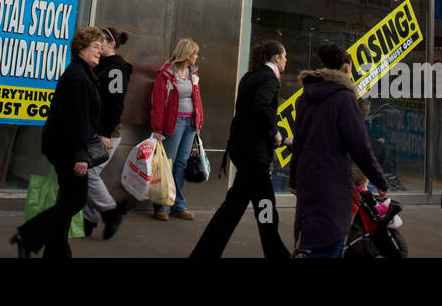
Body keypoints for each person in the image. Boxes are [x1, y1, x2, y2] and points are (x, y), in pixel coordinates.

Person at [190, 40, 292, 259]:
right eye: (284, 56)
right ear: (276, 58)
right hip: (254, 155)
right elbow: (261, 107)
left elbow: (246, 113)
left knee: (242, 207)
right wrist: (275, 134)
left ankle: (206, 253)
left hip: (242, 149)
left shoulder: (250, 76)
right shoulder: (269, 78)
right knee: (260, 207)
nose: (286, 60)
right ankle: (276, 253)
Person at [10, 25, 104, 258]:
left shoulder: (81, 73)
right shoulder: (78, 77)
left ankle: (56, 251)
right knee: (74, 200)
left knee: (68, 200)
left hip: (63, 145)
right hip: (67, 148)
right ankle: (28, 235)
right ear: (81, 48)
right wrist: (81, 156)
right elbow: (77, 120)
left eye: (101, 48)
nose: (100, 51)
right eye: (95, 47)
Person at [290, 43, 388, 258]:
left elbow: (299, 142)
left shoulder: (305, 97)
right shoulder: (344, 98)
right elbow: (360, 145)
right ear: (346, 68)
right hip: (332, 181)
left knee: (311, 240)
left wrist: (294, 178)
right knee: (331, 242)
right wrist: (380, 180)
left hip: (308, 178)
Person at [82, 27, 132, 240]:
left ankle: (110, 212)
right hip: (95, 129)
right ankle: (88, 217)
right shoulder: (100, 66)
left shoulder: (115, 70)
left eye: (102, 41)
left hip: (106, 132)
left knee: (88, 173)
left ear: (111, 44)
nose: (98, 44)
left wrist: (105, 132)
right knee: (83, 173)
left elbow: (115, 104)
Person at [149, 37, 203, 221]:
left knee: (181, 164)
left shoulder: (192, 74)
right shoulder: (165, 74)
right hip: (173, 123)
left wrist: (198, 122)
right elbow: (157, 103)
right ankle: (161, 205)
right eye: (194, 53)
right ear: (186, 55)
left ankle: (178, 204)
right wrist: (157, 129)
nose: (196, 57)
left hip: (189, 124)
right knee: (167, 164)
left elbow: (197, 99)